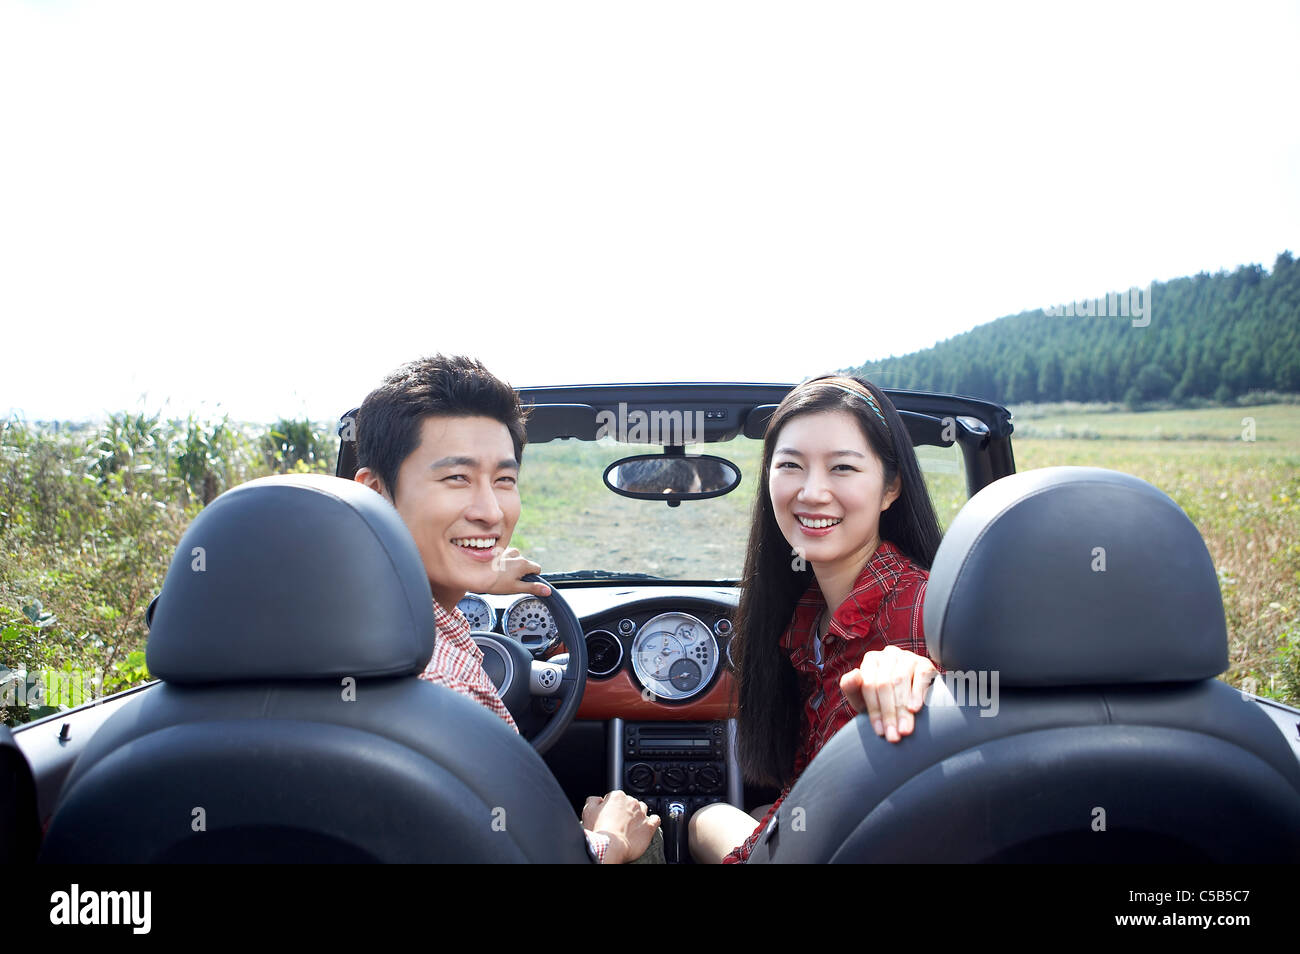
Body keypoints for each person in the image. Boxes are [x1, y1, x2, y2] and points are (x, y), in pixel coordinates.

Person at [352, 354, 660, 864]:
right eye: (456, 478)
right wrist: (609, 843)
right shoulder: (441, 694)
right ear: (376, 492)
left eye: (504, 480)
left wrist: (461, 573)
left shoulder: (340, 631)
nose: (491, 511)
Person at [688, 374, 944, 863]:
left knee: (705, 821)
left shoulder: (923, 614)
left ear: (891, 487)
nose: (812, 492)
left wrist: (930, 681)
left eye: (842, 468)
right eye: (790, 466)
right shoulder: (807, 615)